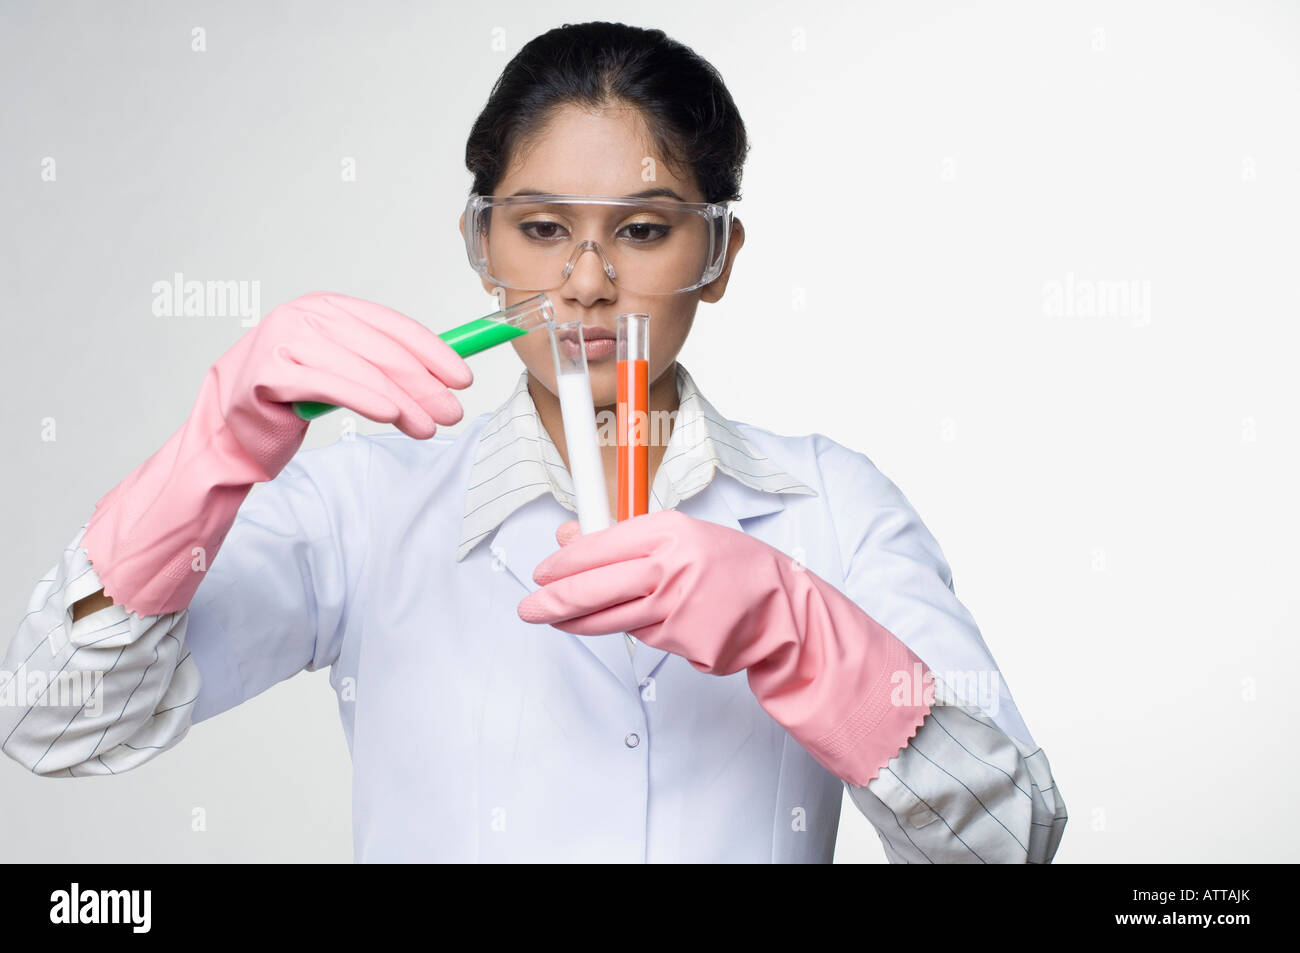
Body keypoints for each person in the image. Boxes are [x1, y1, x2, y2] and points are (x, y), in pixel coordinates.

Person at [0, 21, 1066, 863]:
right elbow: (56, 723)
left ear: (721, 251)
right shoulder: (364, 506)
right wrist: (208, 454)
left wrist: (805, 633)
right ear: (481, 243)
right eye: (543, 228)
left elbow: (1008, 842)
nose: (588, 282)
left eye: (644, 230)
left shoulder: (827, 505)